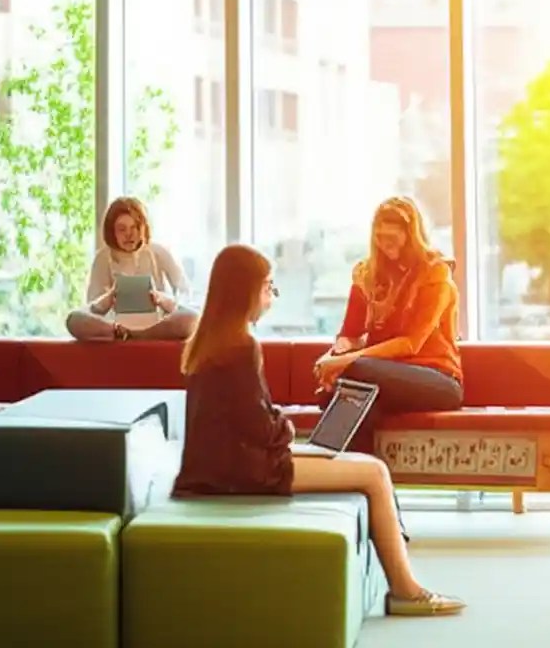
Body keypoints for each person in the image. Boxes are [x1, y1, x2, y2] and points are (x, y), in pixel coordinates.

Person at [172, 244, 464, 616]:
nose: (271, 296)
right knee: (375, 472)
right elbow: (259, 427)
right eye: (268, 288)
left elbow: (237, 418)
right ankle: (406, 591)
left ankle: (404, 584)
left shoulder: (205, 344)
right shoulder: (242, 347)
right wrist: (287, 430)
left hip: (216, 467)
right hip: (244, 471)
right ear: (246, 291)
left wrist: (278, 427)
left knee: (346, 459)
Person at [314, 197, 464, 455]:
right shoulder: (366, 273)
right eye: (380, 238)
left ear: (411, 236)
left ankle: (339, 473)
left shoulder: (434, 272)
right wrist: (332, 356)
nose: (385, 246)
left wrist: (345, 363)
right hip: (382, 378)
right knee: (344, 398)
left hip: (437, 378)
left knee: (352, 379)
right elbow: (349, 334)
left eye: (392, 239)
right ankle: (360, 481)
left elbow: (411, 343)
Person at [66, 197, 198, 341]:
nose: (129, 234)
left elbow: (185, 294)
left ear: (143, 228)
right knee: (73, 319)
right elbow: (92, 306)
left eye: (134, 227)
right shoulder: (103, 257)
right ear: (112, 232)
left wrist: (162, 300)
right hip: (114, 327)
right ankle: (122, 333)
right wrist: (109, 298)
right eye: (122, 229)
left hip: (157, 326)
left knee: (192, 318)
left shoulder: (159, 252)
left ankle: (139, 335)